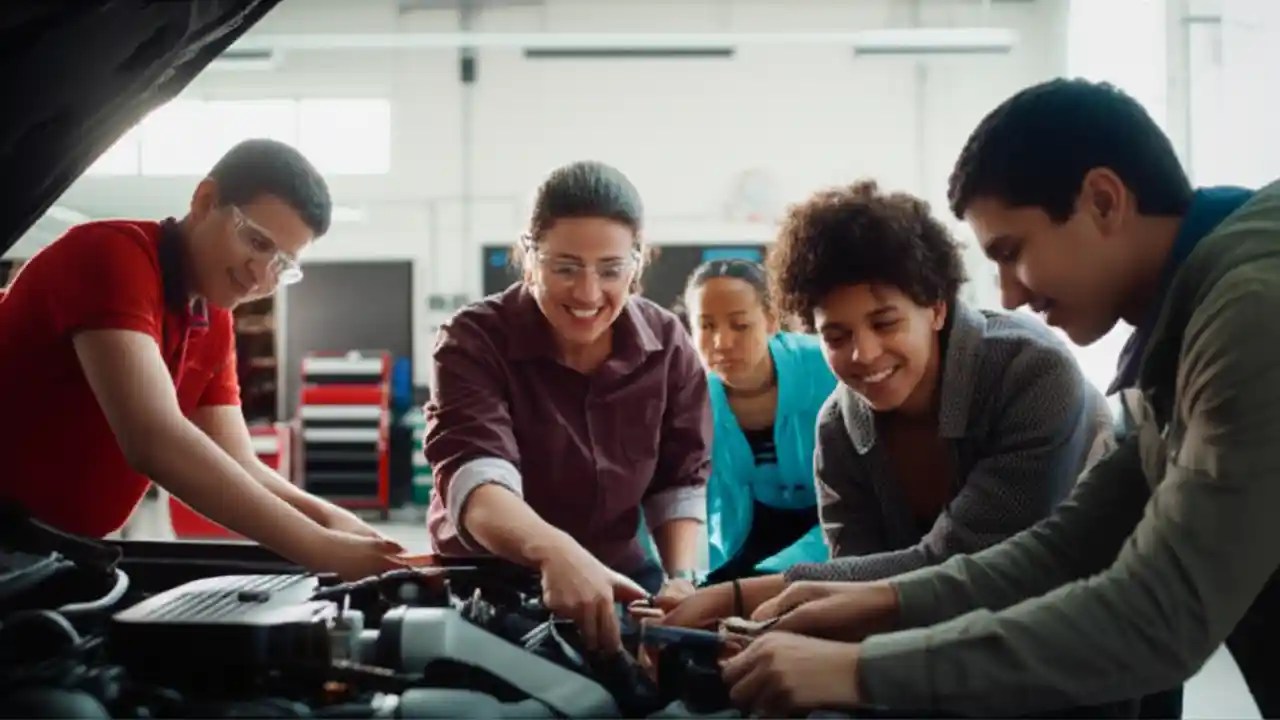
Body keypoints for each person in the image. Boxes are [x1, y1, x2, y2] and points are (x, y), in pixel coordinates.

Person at [709, 78, 1280, 719]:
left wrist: (856, 667)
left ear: (1102, 200)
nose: (1007, 295)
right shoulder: (1177, 341)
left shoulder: (1251, 313)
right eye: (837, 334)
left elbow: (1161, 614)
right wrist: (867, 604)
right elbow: (1068, 547)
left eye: (1012, 253)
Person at [656, 179, 1113, 634]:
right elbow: (857, 590)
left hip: (1085, 641)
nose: (864, 354)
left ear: (936, 307)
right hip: (941, 654)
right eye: (836, 336)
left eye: (885, 322)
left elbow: (965, 566)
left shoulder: (1030, 375)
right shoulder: (837, 429)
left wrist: (738, 595)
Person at [0, 138, 407, 581]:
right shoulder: (111, 255)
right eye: (256, 242)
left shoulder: (213, 319)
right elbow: (155, 442)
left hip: (53, 554)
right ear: (205, 200)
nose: (260, 276)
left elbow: (239, 463)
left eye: (282, 264)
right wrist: (322, 549)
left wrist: (333, 521)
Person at [423, 160, 711, 653]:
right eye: (566, 268)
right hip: (491, 579)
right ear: (529, 256)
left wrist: (681, 578)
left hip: (621, 574)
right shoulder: (473, 340)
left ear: (637, 262)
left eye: (611, 269)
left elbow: (679, 480)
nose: (588, 292)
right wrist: (556, 553)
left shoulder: (667, 341)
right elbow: (477, 479)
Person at [682, 259, 837, 582]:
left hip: (842, 530)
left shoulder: (826, 368)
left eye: (739, 325)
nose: (722, 343)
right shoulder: (687, 400)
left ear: (770, 320)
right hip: (748, 542)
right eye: (707, 326)